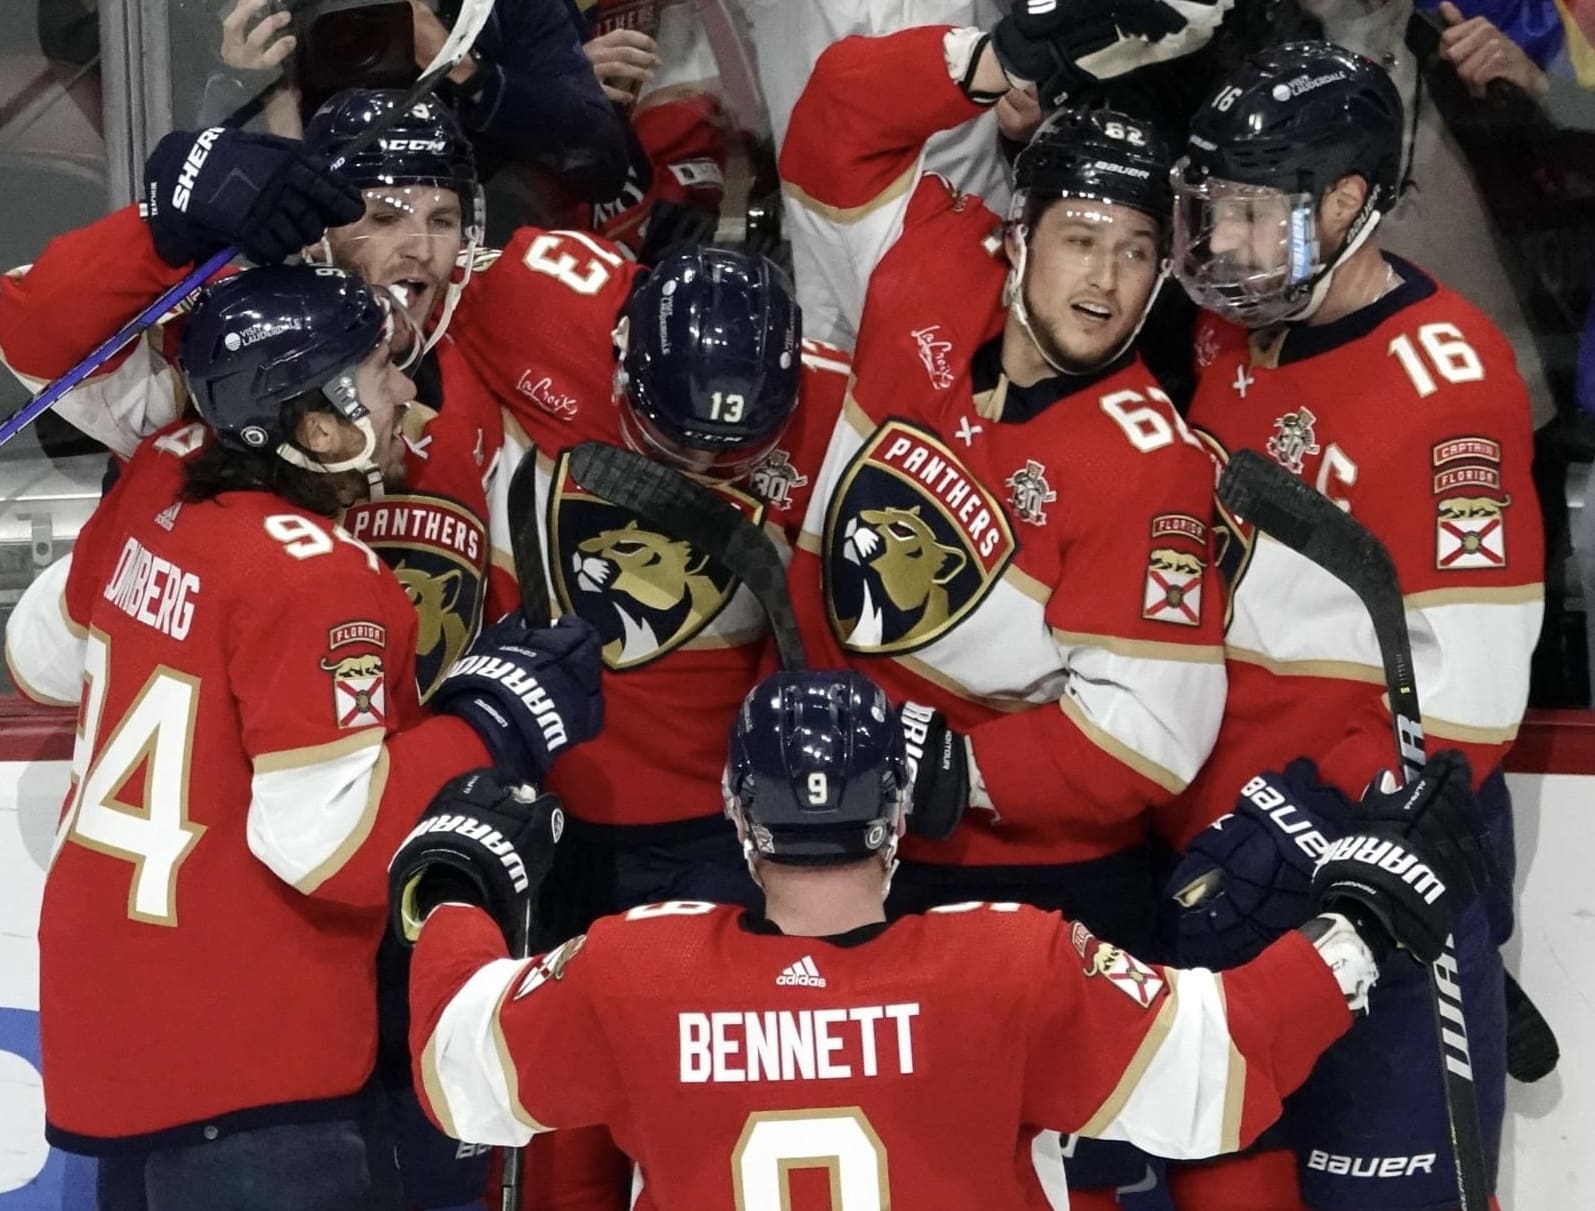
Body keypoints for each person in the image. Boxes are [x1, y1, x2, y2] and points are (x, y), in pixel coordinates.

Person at [391, 668, 1492, 1211]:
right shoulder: (1006, 963)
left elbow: (456, 1069)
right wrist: (1362, 920)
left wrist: (459, 882)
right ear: (898, 813)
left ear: (735, 812)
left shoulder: (632, 968)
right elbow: (1227, 1062)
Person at [2, 263, 602, 1211]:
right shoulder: (318, 581)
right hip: (251, 1052)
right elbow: (329, 844)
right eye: (376, 374)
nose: (407, 389)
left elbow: (39, 657)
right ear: (317, 429)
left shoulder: (159, 474)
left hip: (114, 1029)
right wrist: (491, 721)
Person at [1162, 41, 1544, 1211]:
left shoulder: (1447, 387)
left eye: (1246, 210)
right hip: (1213, 867)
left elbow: (1471, 699)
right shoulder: (1228, 338)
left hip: (1365, 881)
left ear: (1341, 204)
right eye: (1211, 207)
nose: (1218, 240)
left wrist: (1314, 835)